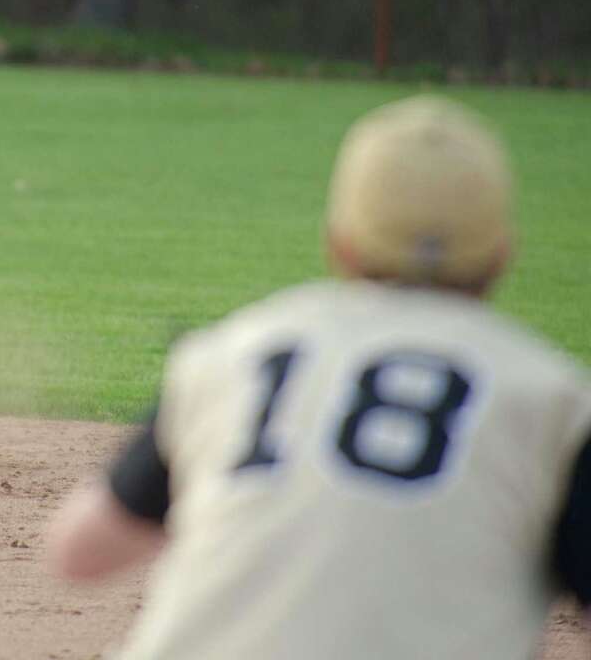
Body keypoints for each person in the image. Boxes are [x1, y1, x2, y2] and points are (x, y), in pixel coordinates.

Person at [47, 95, 591, 659]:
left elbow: (77, 552)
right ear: (502, 254)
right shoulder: (555, 402)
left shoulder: (238, 350)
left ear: (342, 243)